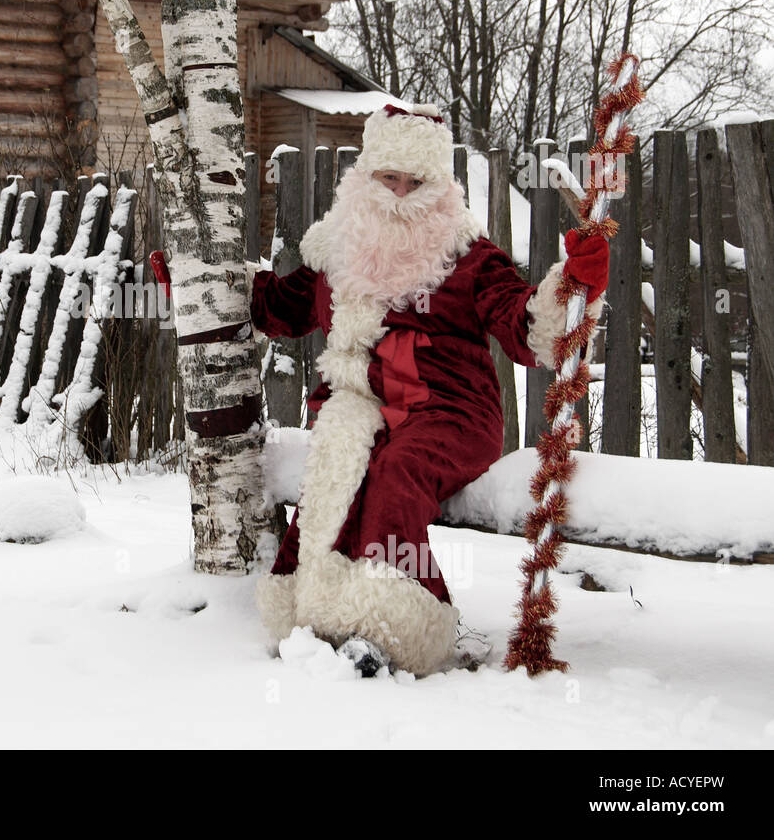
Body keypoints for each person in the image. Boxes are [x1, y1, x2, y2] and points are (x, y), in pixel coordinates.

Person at [251, 103, 609, 677]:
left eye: (414, 181)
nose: (398, 192)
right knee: (339, 473)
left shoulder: (466, 256)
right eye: (388, 177)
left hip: (452, 413)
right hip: (365, 408)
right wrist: (206, 282)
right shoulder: (338, 250)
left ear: (439, 186)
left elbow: (524, 329)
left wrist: (572, 288)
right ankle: (319, 618)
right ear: (366, 177)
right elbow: (280, 309)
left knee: (397, 474)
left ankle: (395, 628)